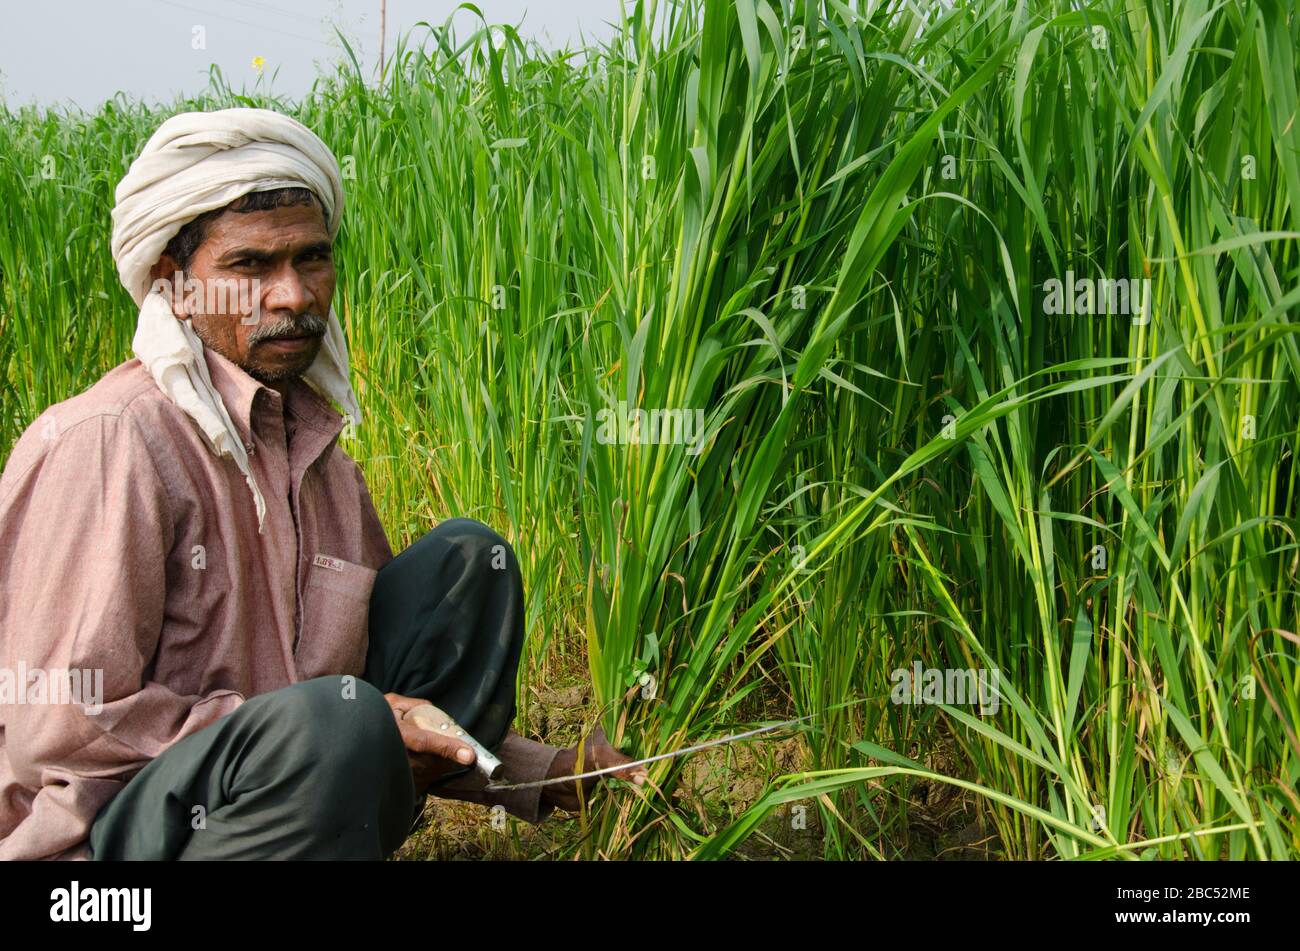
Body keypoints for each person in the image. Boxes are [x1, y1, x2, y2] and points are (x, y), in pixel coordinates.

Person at [0, 107, 644, 861]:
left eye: (312, 259)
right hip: (106, 850)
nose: (294, 295)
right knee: (340, 719)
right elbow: (63, 723)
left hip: (281, 785)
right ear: (175, 286)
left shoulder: (317, 454)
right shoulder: (113, 441)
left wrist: (551, 776)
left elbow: (362, 687)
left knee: (466, 565)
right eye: (248, 268)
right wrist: (341, 723)